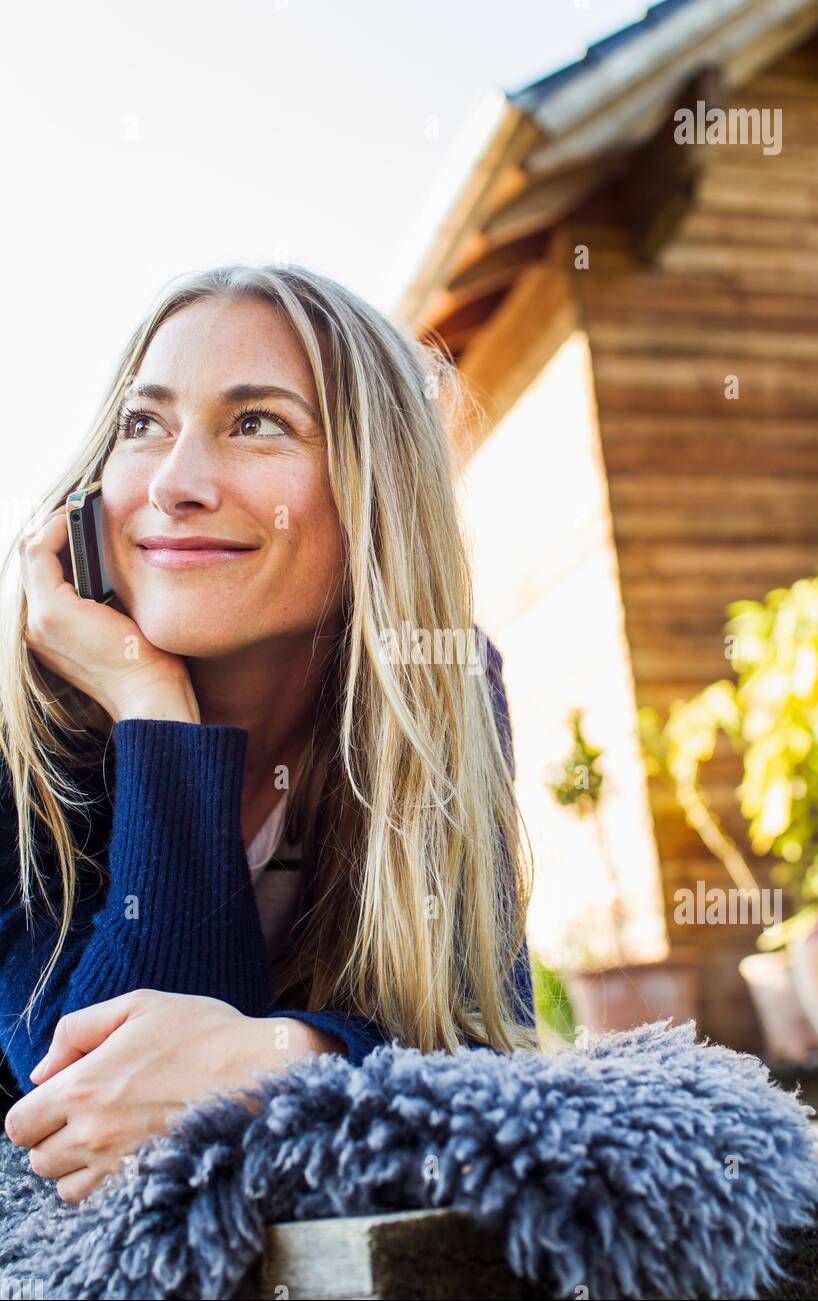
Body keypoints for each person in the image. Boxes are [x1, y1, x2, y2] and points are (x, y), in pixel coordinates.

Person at [0, 262, 537, 1204]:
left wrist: (288, 1056)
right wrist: (151, 705)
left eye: (257, 424)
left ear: (379, 498)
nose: (176, 483)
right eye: (145, 424)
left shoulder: (438, 680)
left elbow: (483, 1035)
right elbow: (95, 1114)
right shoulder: (21, 722)